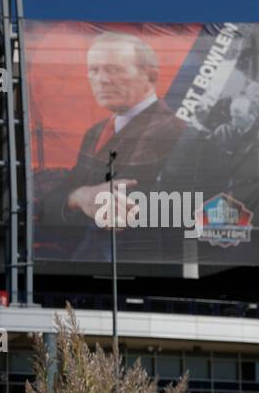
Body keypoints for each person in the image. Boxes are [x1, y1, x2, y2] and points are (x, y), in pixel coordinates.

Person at [34, 31, 193, 261]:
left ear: (150, 76)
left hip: (129, 258)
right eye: (94, 70)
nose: (102, 80)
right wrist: (78, 197)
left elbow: (118, 202)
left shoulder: (171, 131)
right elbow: (58, 198)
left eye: (114, 69)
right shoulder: (96, 132)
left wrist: (77, 198)